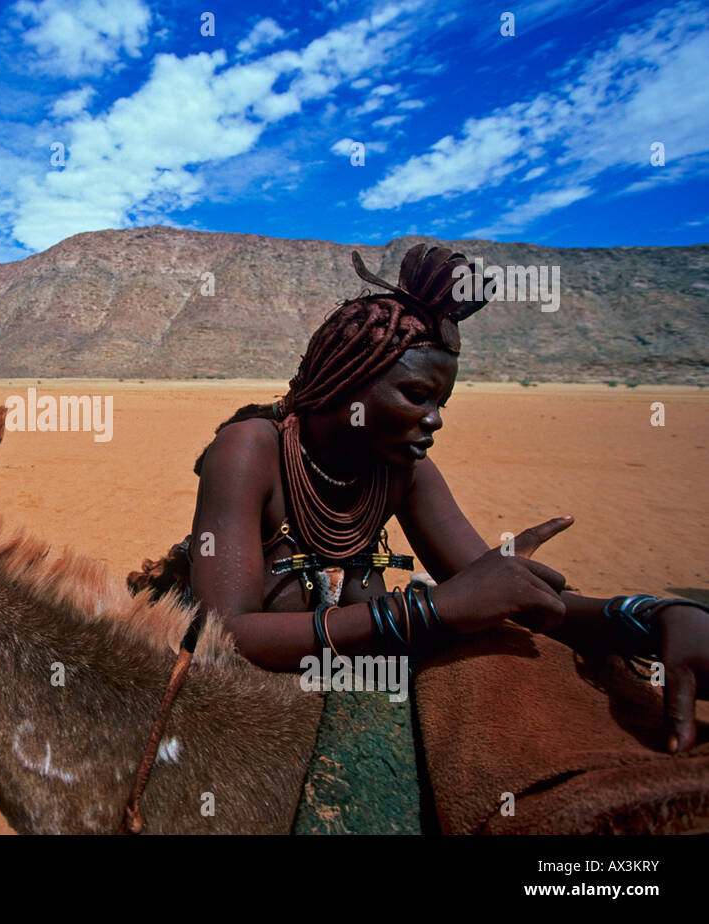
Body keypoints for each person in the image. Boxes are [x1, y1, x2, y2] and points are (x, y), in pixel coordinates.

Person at [129, 243, 709, 755]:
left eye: (442, 403)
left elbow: (504, 593)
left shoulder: (403, 468)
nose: (433, 420)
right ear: (349, 380)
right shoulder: (249, 449)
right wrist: (432, 610)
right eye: (416, 395)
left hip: (354, 696)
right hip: (245, 712)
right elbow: (228, 632)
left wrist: (652, 616)